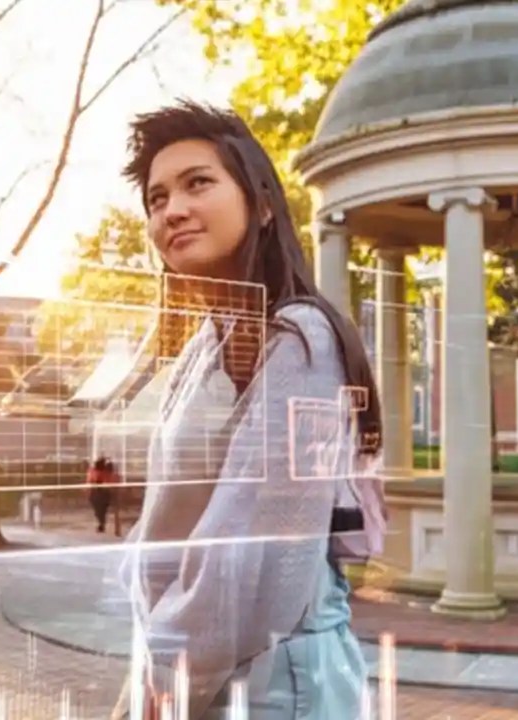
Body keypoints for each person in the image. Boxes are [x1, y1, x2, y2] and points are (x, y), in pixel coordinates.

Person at [111, 101, 383, 719]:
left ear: (261, 204)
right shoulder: (208, 345)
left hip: (275, 684)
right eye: (156, 198)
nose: (171, 209)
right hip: (209, 668)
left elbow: (256, 547)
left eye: (197, 183)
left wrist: (168, 672)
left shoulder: (301, 339)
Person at [88, 456, 120, 533]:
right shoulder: (95, 471)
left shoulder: (106, 472)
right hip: (98, 493)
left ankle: (102, 523)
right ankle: (101, 522)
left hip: (103, 493)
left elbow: (110, 482)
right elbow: (92, 481)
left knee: (100, 509)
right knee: (99, 509)